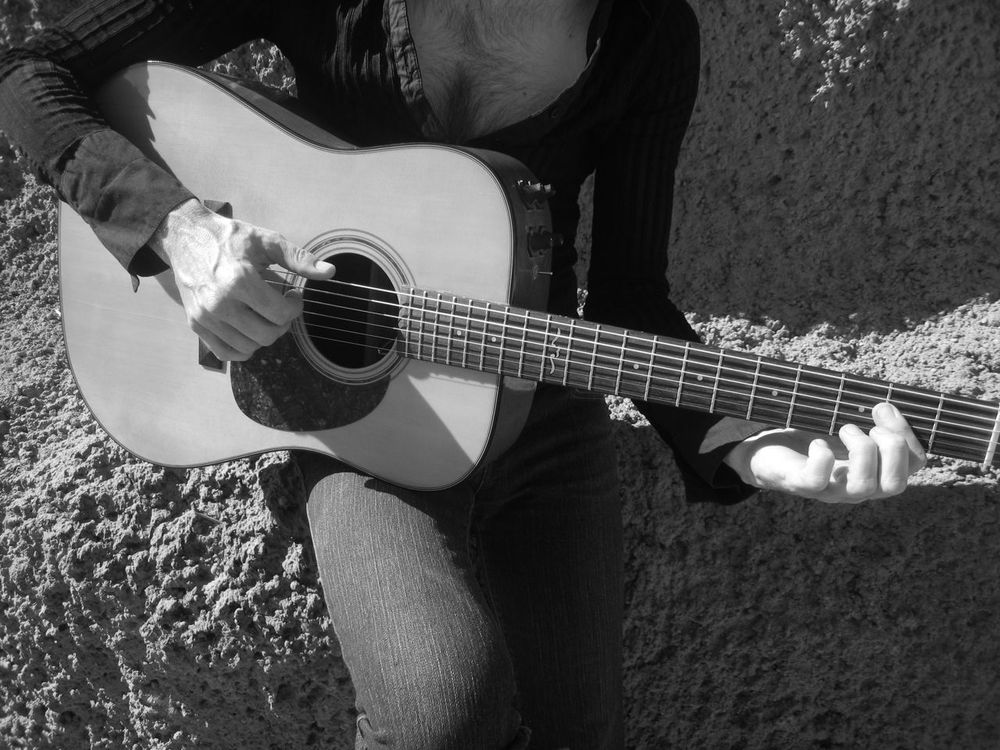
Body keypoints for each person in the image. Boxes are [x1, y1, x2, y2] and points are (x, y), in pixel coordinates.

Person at [0, 1, 925, 747]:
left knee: (583, 728)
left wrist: (745, 445)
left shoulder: (648, 34)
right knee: (447, 713)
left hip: (540, 393)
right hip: (344, 404)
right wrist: (180, 232)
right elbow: (30, 73)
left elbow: (632, 300)